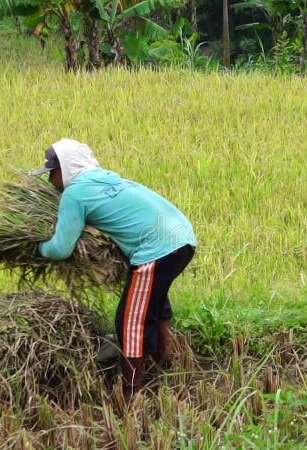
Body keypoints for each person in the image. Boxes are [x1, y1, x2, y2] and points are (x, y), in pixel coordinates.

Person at [32, 138, 197, 404]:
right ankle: (165, 359)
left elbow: (60, 248)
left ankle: (131, 393)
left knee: (130, 320)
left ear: (67, 168)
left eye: (53, 172)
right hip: (183, 238)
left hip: (157, 249)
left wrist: (37, 247)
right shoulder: (107, 178)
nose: (50, 180)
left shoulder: (74, 194)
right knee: (153, 301)